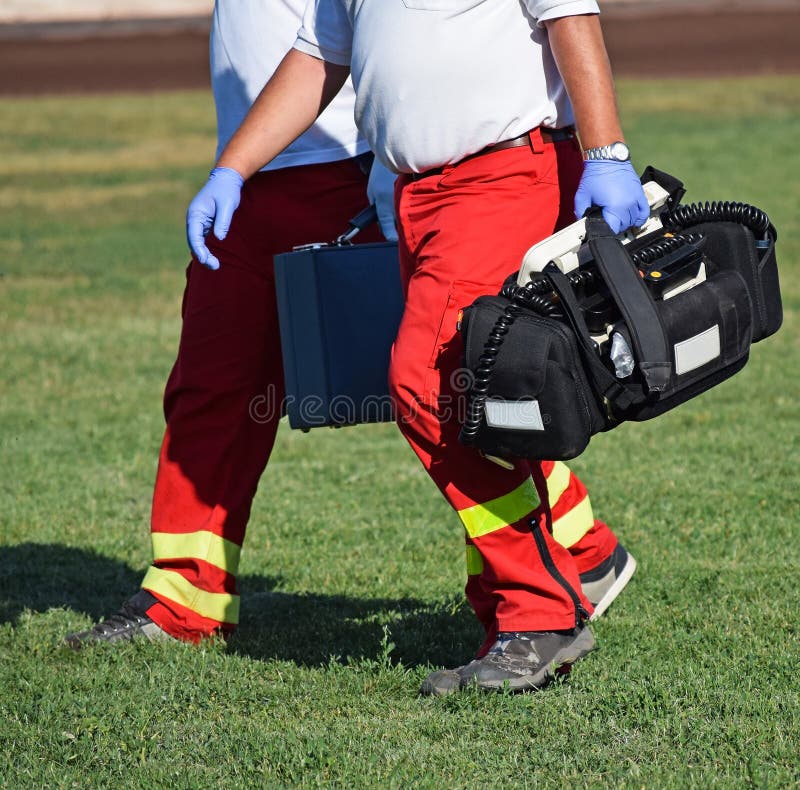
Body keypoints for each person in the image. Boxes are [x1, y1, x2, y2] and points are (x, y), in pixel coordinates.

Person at [67, 0, 636, 684]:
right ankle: (540, 597)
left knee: (446, 386)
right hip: (390, 180)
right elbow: (318, 54)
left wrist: (606, 155)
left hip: (452, 170)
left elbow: (570, 16)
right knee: (437, 390)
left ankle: (548, 592)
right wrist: (232, 170)